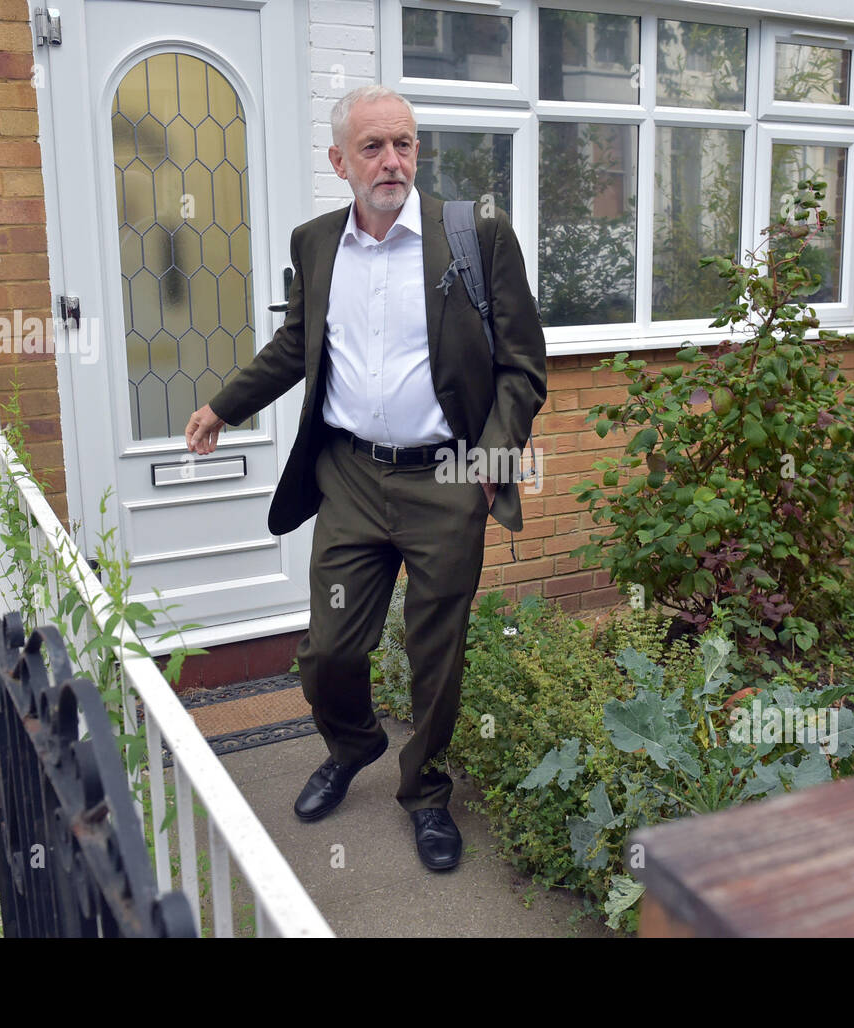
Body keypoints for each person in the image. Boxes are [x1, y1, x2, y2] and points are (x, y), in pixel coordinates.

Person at [184, 84, 547, 871]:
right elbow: (296, 344)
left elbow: (523, 367)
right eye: (374, 147)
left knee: (435, 653)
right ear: (339, 160)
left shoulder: (475, 236)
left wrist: (494, 452)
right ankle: (351, 744)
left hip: (447, 477)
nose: (392, 161)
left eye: (405, 144)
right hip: (349, 474)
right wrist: (224, 405)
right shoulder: (316, 242)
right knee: (329, 652)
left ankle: (424, 794)